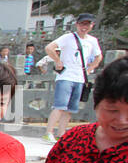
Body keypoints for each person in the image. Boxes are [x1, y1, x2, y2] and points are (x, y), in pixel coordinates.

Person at [44, 13, 102, 143]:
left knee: (70, 109)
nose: (84, 27)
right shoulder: (68, 37)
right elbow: (49, 48)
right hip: (66, 76)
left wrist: (90, 68)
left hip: (80, 78)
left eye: (87, 24)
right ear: (77, 24)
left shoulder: (92, 41)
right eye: (82, 24)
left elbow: (98, 56)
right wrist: (58, 61)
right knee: (60, 106)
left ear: (91, 25)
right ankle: (49, 132)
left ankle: (62, 134)